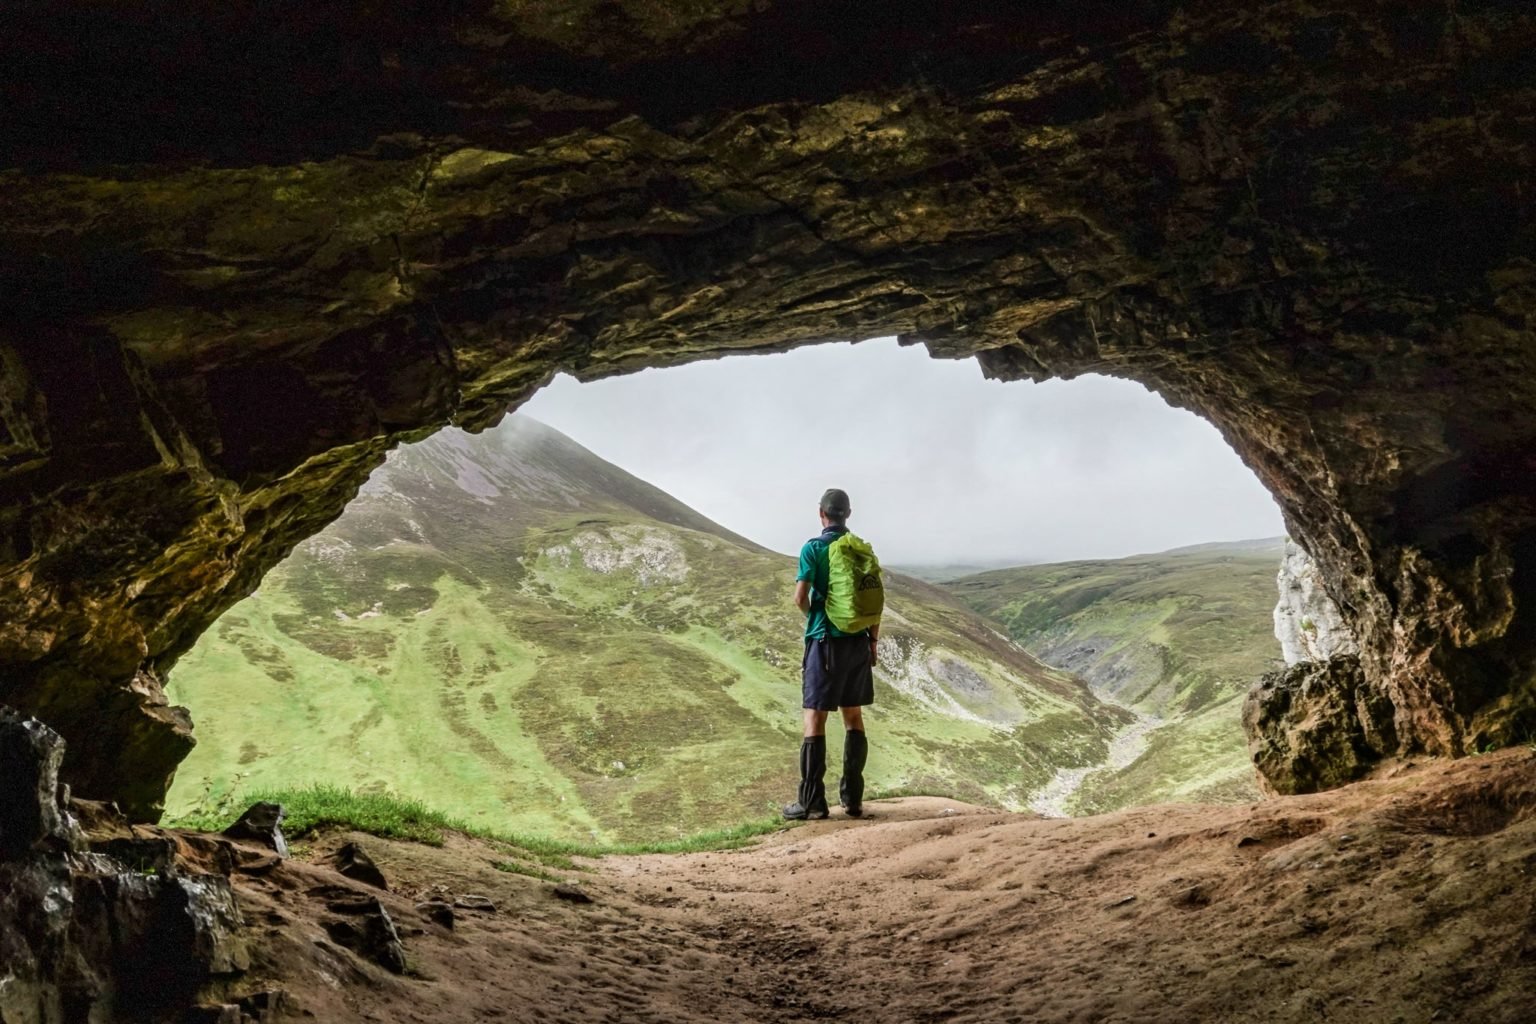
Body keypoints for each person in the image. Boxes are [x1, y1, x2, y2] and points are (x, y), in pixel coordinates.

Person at [783, 487, 878, 820]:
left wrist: (814, 618)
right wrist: (872, 642)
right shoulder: (859, 550)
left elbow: (800, 598)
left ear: (821, 513)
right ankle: (853, 799)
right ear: (848, 514)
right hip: (858, 642)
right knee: (853, 716)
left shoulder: (813, 548)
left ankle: (812, 803)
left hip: (825, 642)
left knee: (814, 717)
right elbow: (872, 602)